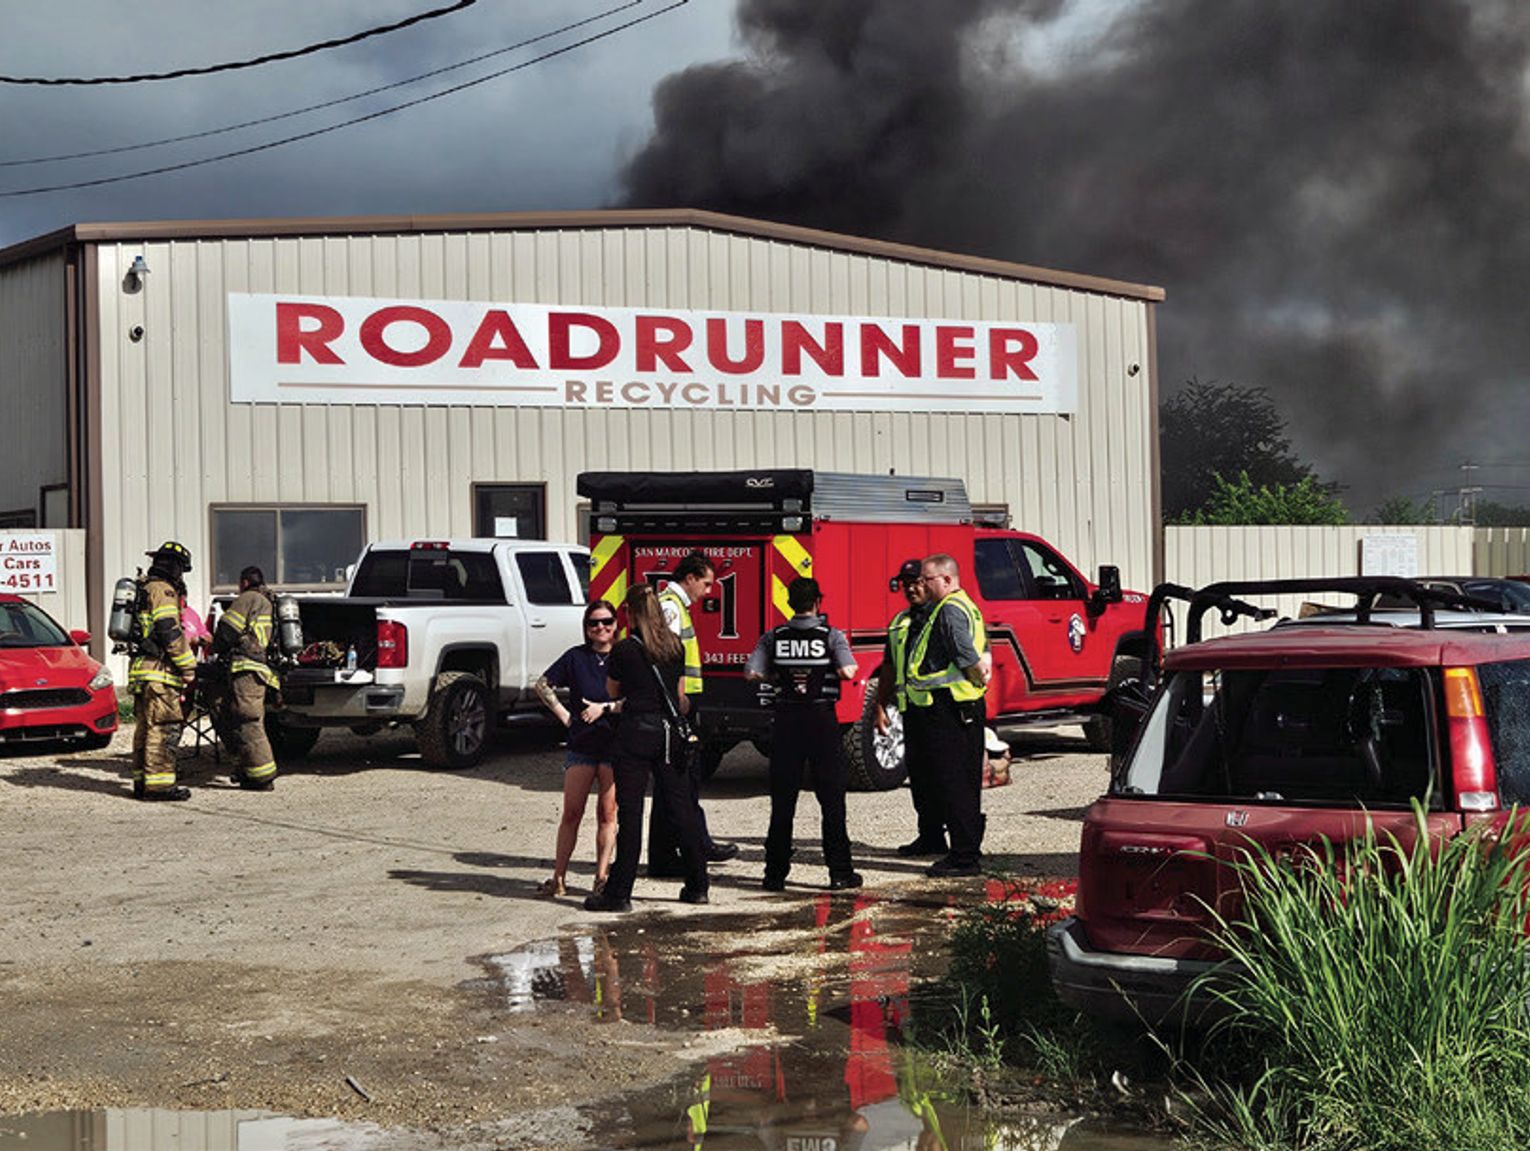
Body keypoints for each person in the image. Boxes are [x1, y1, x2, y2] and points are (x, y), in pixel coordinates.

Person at [586, 584, 710, 912]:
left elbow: (611, 690)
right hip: (669, 735)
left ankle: (619, 893)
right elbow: (681, 697)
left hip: (635, 732)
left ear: (632, 613)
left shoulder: (625, 650)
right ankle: (698, 885)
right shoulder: (674, 645)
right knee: (681, 808)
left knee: (631, 813)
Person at [746, 577, 862, 891]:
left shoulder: (774, 636)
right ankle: (840, 872)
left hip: (786, 721)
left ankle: (774, 874)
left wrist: (777, 674)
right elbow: (849, 671)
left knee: (783, 802)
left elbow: (752, 672)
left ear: (790, 603)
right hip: (821, 720)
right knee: (832, 800)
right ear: (818, 603)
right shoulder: (831, 635)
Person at [649, 549, 739, 877]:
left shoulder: (672, 605)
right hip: (678, 705)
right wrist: (679, 695)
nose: (709, 590)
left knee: (672, 780)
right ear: (689, 579)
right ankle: (690, 846)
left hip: (677, 702)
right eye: (705, 583)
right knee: (680, 779)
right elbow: (667, 656)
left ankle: (668, 854)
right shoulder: (672, 608)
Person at [905, 554, 991, 877]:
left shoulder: (950, 610)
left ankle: (964, 857)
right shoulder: (964, 604)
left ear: (947, 579)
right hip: (961, 706)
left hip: (953, 708)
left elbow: (964, 652)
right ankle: (964, 850)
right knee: (962, 782)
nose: (922, 584)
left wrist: (975, 673)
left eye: (928, 579)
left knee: (956, 784)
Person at [532, 599, 621, 898]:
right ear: (585, 628)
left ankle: (601, 877)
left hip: (613, 745)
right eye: (594, 623)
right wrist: (565, 717)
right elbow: (543, 685)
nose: (600, 628)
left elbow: (635, 699)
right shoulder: (575, 657)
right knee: (572, 813)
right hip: (582, 745)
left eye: (606, 621)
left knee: (608, 814)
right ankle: (559, 877)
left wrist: (604, 709)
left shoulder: (623, 657)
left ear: (616, 624)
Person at [874, 559, 942, 856]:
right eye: (906, 584)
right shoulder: (900, 622)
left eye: (915, 582)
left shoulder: (942, 616)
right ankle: (929, 837)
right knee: (921, 778)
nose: (911, 589)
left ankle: (961, 845)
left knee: (946, 778)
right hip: (912, 711)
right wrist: (880, 705)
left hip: (942, 712)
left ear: (928, 583)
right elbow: (888, 668)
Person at [128, 541, 198, 801]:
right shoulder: (163, 591)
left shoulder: (144, 588)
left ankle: (142, 782)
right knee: (163, 728)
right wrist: (188, 666)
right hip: (159, 673)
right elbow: (170, 631)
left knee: (144, 728)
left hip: (140, 672)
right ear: (176, 567)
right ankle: (159, 787)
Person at [213, 565, 280, 790]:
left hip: (247, 669)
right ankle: (247, 770)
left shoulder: (248, 598)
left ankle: (262, 777)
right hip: (262, 671)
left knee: (247, 720)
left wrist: (214, 646)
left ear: (243, 583)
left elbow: (227, 631)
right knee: (240, 718)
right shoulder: (268, 600)